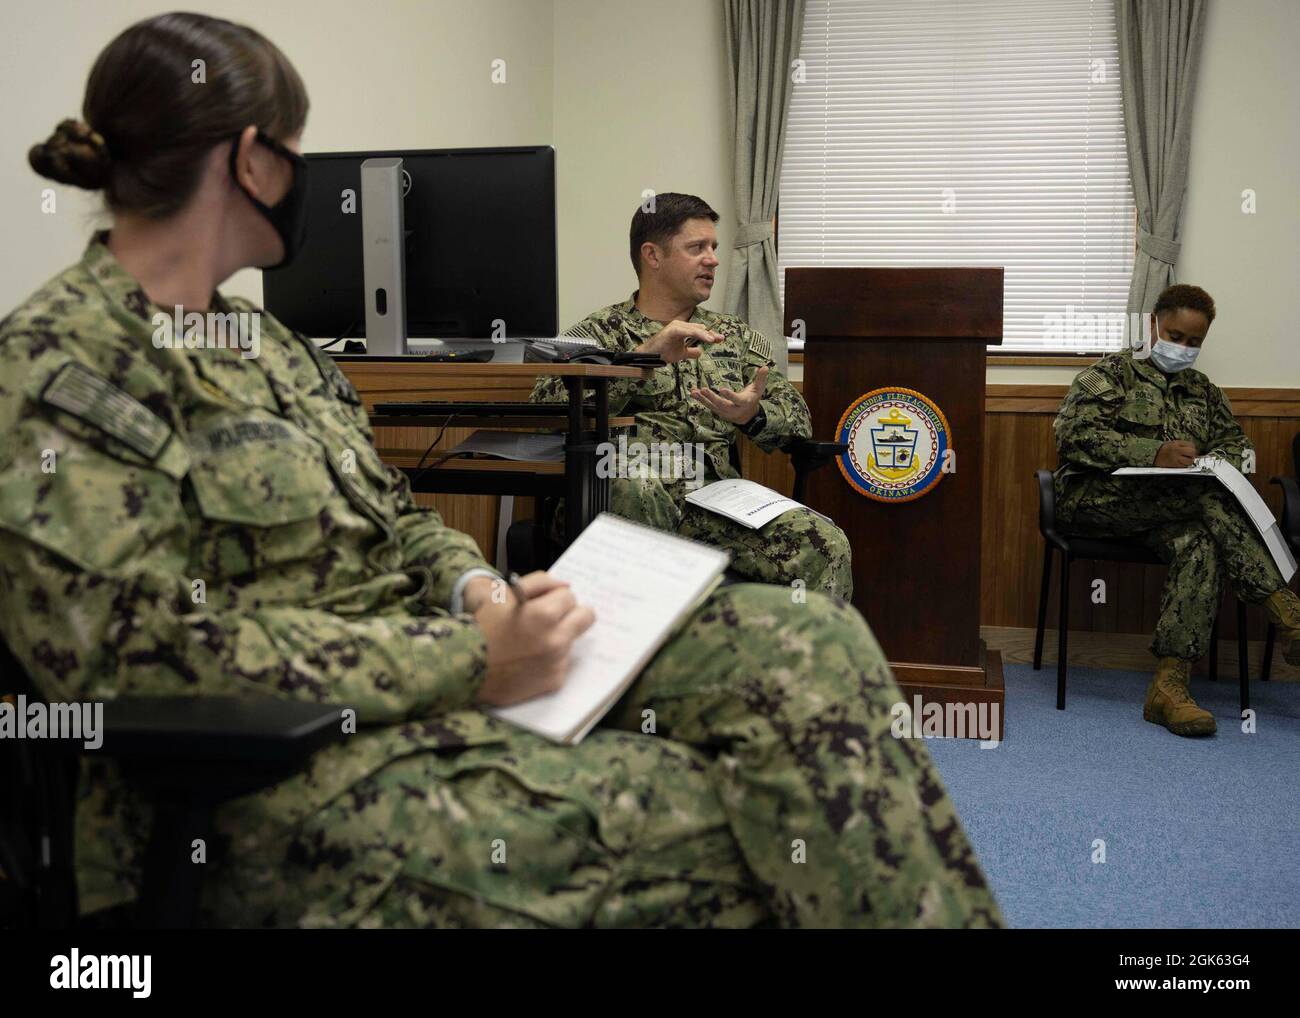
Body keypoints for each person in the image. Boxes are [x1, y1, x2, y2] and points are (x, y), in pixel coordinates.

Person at [0, 12, 999, 928]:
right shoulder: (64, 360)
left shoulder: (268, 344)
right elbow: (128, 664)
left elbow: (391, 514)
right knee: (763, 815)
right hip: (268, 778)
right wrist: (471, 660)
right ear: (251, 162)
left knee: (806, 640)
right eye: (301, 157)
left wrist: (480, 587)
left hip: (431, 664)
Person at [529, 194, 853, 600]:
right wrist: (643, 358)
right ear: (653, 256)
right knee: (635, 487)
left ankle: (794, 662)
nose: (713, 259)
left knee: (824, 544)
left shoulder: (731, 336)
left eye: (714, 247)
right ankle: (644, 657)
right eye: (697, 248)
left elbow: (797, 420)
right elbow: (545, 413)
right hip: (617, 494)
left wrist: (752, 414)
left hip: (714, 502)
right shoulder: (597, 334)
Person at [1053, 284, 1300, 737]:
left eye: (1194, 342)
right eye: (1175, 335)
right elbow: (1074, 438)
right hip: (1096, 501)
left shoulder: (1204, 391)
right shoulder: (1109, 375)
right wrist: (1154, 452)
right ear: (1152, 325)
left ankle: (1169, 686)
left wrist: (1212, 462)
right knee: (1204, 501)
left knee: (1202, 540)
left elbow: (1238, 448)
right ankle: (1287, 613)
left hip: (1176, 512)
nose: (1183, 347)